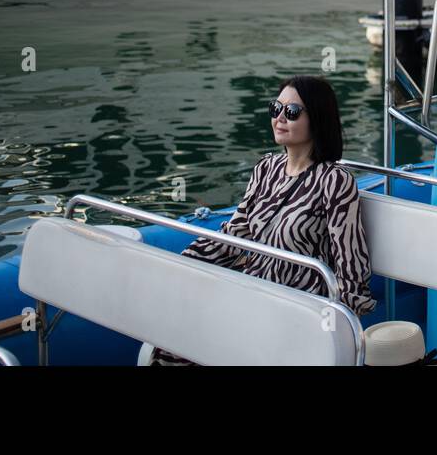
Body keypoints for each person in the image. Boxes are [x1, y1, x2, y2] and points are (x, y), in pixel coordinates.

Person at [149, 75, 375, 365]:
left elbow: (351, 265)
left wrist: (335, 329)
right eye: (275, 109)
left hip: (297, 306)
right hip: (253, 291)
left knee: (192, 336)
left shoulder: (334, 181)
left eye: (291, 112)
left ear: (317, 119)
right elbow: (234, 235)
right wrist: (182, 264)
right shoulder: (266, 169)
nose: (279, 118)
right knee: (176, 332)